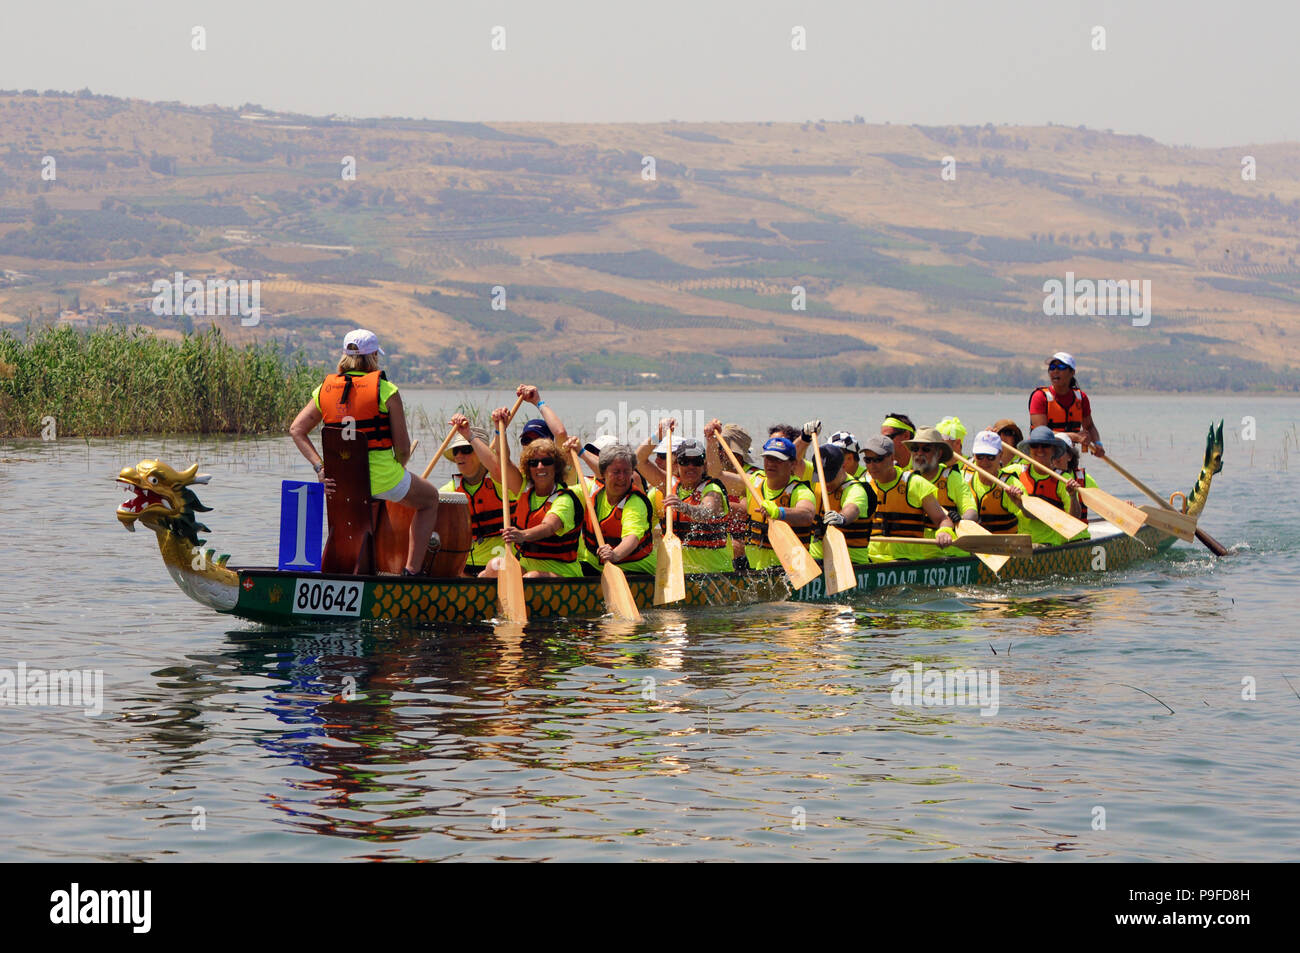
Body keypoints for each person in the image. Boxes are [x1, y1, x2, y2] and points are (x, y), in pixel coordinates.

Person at [290, 328, 439, 576]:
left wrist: (320, 468)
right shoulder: (387, 390)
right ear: (373, 357)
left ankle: (345, 570)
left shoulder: (324, 390)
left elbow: (296, 430)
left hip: (340, 483)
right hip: (383, 479)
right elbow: (403, 448)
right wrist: (399, 467)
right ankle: (412, 572)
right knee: (430, 499)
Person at [480, 434, 584, 578]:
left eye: (546, 462)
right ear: (528, 468)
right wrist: (499, 430)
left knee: (532, 577)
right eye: (534, 463)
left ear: (556, 467)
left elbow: (549, 527)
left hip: (562, 573)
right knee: (494, 566)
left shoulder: (564, 499)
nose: (540, 467)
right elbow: (503, 462)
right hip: (526, 568)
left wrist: (522, 535)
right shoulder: (524, 490)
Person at [711, 434, 817, 570]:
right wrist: (711, 440)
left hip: (789, 570)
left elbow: (807, 514)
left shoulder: (800, 491)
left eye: (778, 459)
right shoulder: (754, 482)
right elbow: (717, 476)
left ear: (793, 464)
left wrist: (779, 512)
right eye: (768, 458)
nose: (771, 463)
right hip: (754, 569)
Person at [440, 415, 522, 575]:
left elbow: (500, 465)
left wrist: (496, 429)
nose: (459, 455)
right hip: (462, 566)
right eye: (456, 451)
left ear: (480, 453)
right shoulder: (447, 492)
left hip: (499, 565)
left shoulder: (502, 483)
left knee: (493, 568)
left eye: (466, 450)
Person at [640, 434, 732, 574]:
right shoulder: (668, 485)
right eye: (685, 461)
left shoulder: (712, 489)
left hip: (716, 574)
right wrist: (659, 434)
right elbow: (639, 460)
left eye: (697, 461)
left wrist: (683, 507)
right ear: (676, 464)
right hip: (677, 576)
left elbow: (706, 512)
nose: (691, 466)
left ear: (704, 465)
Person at [859, 434, 955, 562]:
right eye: (868, 460)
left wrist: (944, 531)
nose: (872, 465)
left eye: (878, 459)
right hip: (870, 560)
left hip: (907, 560)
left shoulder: (915, 484)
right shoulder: (862, 486)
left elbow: (943, 519)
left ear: (892, 458)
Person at [569, 439, 657, 576]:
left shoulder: (635, 502)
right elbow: (560, 494)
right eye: (616, 472)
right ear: (603, 473)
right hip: (595, 566)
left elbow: (632, 537)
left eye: (626, 472)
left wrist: (615, 555)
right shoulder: (590, 489)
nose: (622, 477)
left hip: (636, 569)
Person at [704, 419, 762, 571]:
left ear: (737, 455)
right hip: (723, 540)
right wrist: (710, 440)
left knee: (735, 545)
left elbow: (744, 510)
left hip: (745, 543)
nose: (719, 453)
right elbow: (715, 474)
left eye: (721, 449)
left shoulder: (754, 476)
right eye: (718, 448)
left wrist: (713, 506)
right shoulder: (718, 472)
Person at [1014, 425, 1083, 546]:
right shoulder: (1018, 472)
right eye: (1035, 445)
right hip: (1022, 543)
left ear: (1053, 450)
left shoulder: (1063, 479)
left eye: (1045, 445)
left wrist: (1073, 496)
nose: (1040, 450)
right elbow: (992, 469)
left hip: (1049, 544)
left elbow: (1074, 520)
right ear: (1030, 449)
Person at [809, 443, 876, 565]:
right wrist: (804, 438)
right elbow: (794, 462)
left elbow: (853, 508)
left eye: (830, 477)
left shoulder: (855, 490)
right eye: (822, 477)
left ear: (843, 466)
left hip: (851, 563)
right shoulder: (815, 481)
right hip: (816, 561)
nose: (826, 483)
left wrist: (842, 517)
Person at [1028, 352, 1105, 456]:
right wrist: (1075, 437)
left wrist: (1098, 444)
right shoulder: (1040, 397)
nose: (1055, 371)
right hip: (1042, 455)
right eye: (1052, 367)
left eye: (1061, 367)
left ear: (1072, 372)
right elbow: (1042, 433)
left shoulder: (1081, 398)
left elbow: (1089, 426)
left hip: (1067, 455)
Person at [905, 427, 977, 528]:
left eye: (926, 449)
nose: (919, 453)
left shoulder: (952, 478)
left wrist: (961, 519)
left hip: (945, 536)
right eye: (915, 449)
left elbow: (971, 511)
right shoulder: (906, 479)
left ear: (939, 453)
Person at [965, 429, 1025, 534]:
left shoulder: (1011, 484)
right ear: (974, 455)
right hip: (971, 542)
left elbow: (1030, 515)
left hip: (1004, 543)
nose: (984, 461)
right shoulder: (963, 478)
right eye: (980, 456)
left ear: (1000, 455)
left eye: (990, 457)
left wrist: (1021, 505)